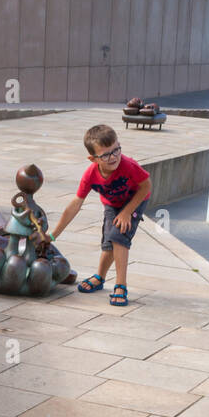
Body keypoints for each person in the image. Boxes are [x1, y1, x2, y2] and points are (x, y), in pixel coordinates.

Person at [49, 124, 151, 306]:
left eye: (116, 150)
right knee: (108, 243)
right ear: (92, 158)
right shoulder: (90, 175)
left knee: (119, 236)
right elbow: (75, 204)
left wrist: (128, 212)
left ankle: (121, 285)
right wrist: (53, 235)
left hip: (135, 200)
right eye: (105, 155)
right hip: (112, 204)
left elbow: (146, 186)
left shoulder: (128, 165)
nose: (113, 157)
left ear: (119, 145)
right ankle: (100, 277)